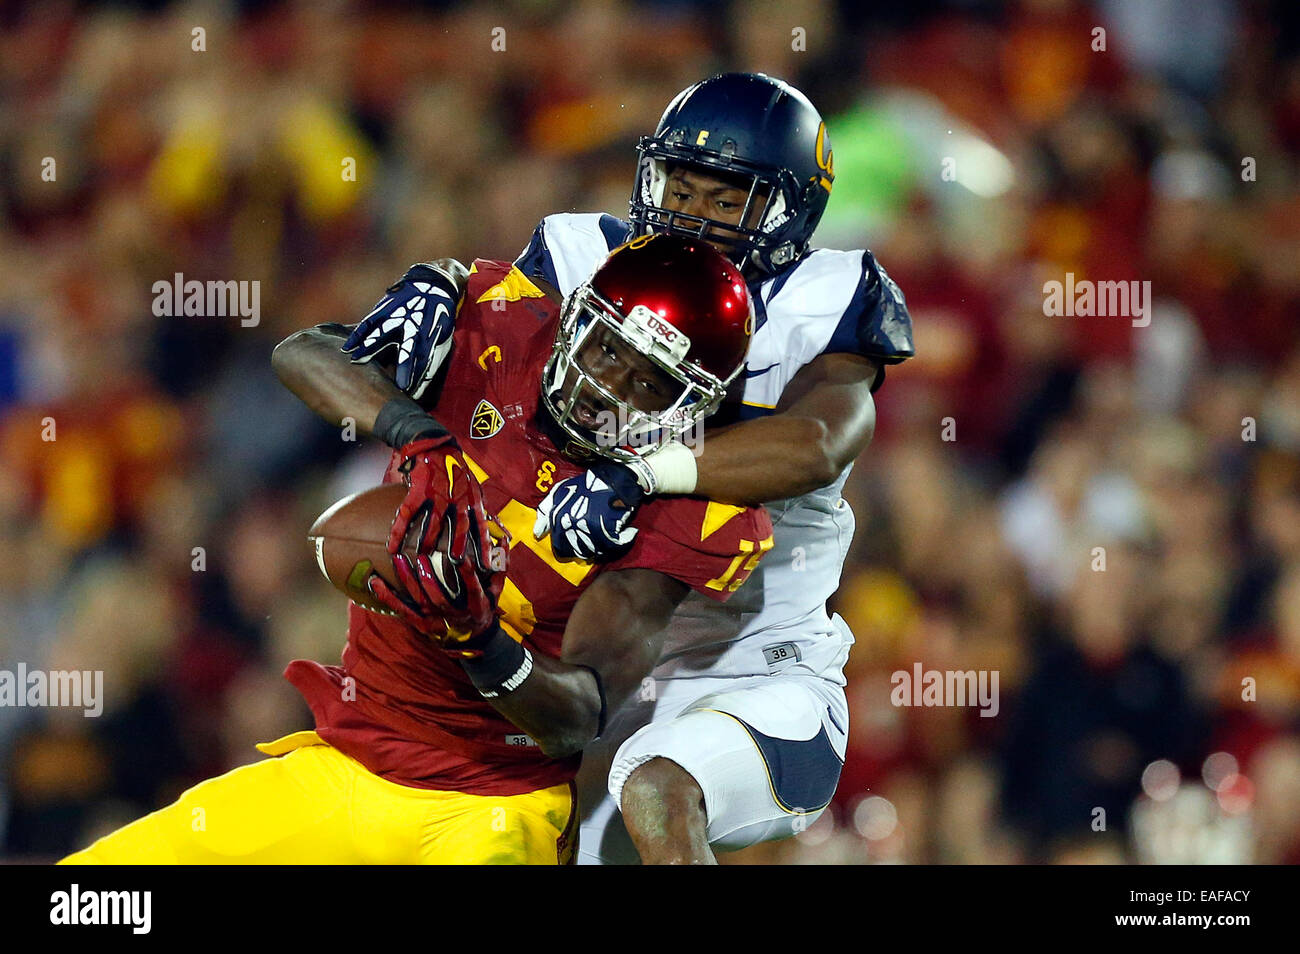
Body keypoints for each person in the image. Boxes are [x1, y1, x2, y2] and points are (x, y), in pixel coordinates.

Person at [343, 72, 915, 864]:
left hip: (756, 666)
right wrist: (441, 286)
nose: (690, 216)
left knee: (658, 790)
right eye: (679, 187)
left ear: (789, 213)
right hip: (588, 652)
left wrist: (649, 471)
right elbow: (491, 350)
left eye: (724, 201)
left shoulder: (825, 299)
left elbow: (819, 442)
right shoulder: (584, 255)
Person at [60, 235, 772, 865]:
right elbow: (302, 351)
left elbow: (577, 715)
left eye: (648, 382)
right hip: (348, 763)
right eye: (607, 350)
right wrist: (417, 430)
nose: (606, 388)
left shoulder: (680, 504)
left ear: (690, 408)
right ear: (576, 318)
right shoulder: (499, 337)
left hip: (491, 804)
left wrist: (480, 638)